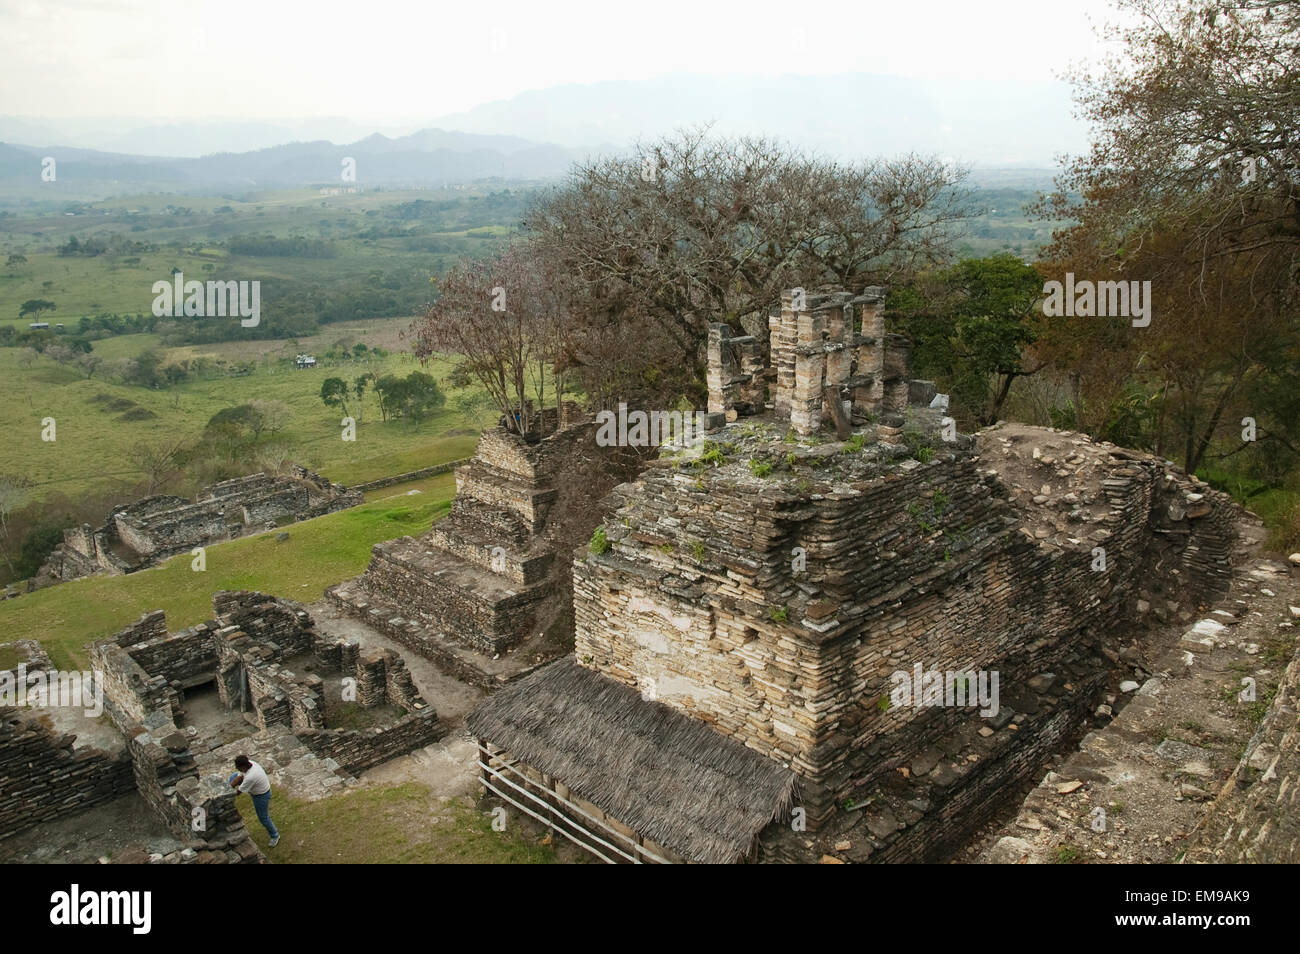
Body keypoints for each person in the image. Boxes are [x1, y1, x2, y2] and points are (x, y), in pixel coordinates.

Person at [229, 755, 279, 847]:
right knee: (233, 777)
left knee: (263, 818)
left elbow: (238, 792)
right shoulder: (250, 763)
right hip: (257, 789)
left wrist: (226, 796)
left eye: (238, 767)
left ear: (243, 767)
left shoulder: (250, 777)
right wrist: (228, 787)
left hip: (261, 796)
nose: (237, 769)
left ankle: (275, 835)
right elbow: (239, 776)